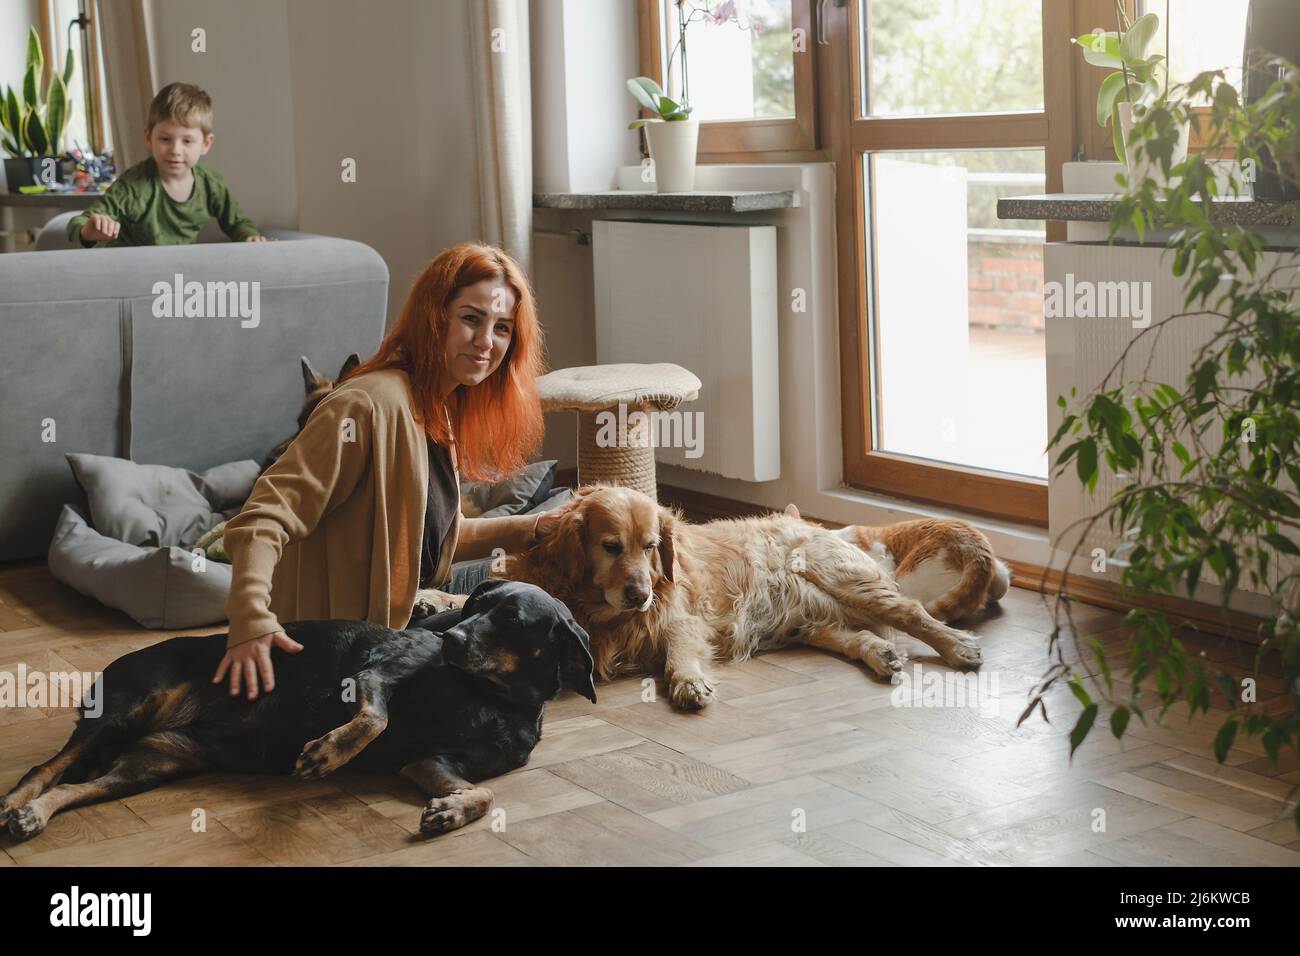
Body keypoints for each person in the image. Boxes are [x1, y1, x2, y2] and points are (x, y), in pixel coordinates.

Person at [213, 242, 568, 699]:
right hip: (340, 648)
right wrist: (250, 618)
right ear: (433, 316)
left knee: (563, 517)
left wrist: (535, 528)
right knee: (531, 613)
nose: (486, 342)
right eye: (471, 318)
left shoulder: (437, 409)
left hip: (405, 607)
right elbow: (263, 516)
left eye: (502, 328)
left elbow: (434, 538)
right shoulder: (366, 406)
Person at [66, 82, 268, 247]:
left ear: (205, 144)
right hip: (129, 271)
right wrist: (90, 230)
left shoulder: (210, 184)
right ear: (148, 137)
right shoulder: (132, 186)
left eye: (187, 141)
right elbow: (78, 223)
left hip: (175, 274)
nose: (175, 150)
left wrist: (251, 237)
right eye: (165, 139)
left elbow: (237, 223)